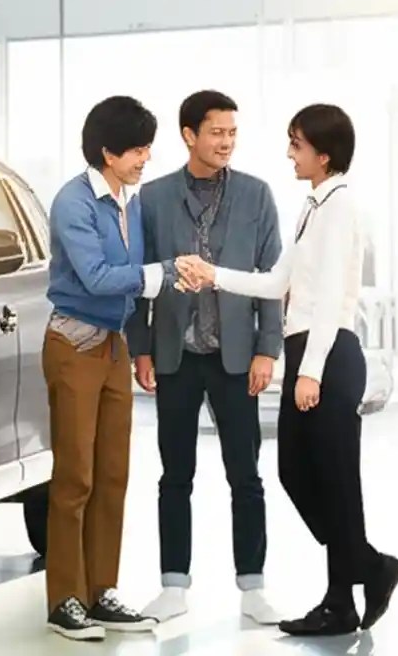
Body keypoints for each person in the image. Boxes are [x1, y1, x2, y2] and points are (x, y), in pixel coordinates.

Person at [175, 104, 398, 636]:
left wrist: (311, 373)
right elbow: (277, 282)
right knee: (300, 473)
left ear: (323, 155)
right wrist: (213, 276)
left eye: (296, 145)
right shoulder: (313, 206)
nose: (288, 153)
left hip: (330, 354)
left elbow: (326, 302)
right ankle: (361, 573)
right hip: (309, 352)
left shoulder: (340, 208)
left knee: (334, 481)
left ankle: (348, 590)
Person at [125, 90, 283, 625]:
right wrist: (140, 350)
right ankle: (173, 586)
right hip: (174, 355)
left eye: (233, 133)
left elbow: (271, 282)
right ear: (189, 135)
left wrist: (268, 350)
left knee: (247, 474)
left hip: (236, 357)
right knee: (175, 475)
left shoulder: (258, 196)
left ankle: (253, 586)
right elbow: (137, 282)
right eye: (217, 132)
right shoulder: (154, 198)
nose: (226, 142)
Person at [43, 95, 175, 641]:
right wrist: (162, 272)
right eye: (137, 149)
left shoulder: (132, 202)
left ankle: (102, 591)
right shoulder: (72, 202)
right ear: (107, 152)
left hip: (115, 348)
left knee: (113, 476)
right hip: (74, 345)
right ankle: (64, 600)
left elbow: (128, 283)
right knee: (76, 477)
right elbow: (97, 277)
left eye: (147, 147)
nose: (145, 157)